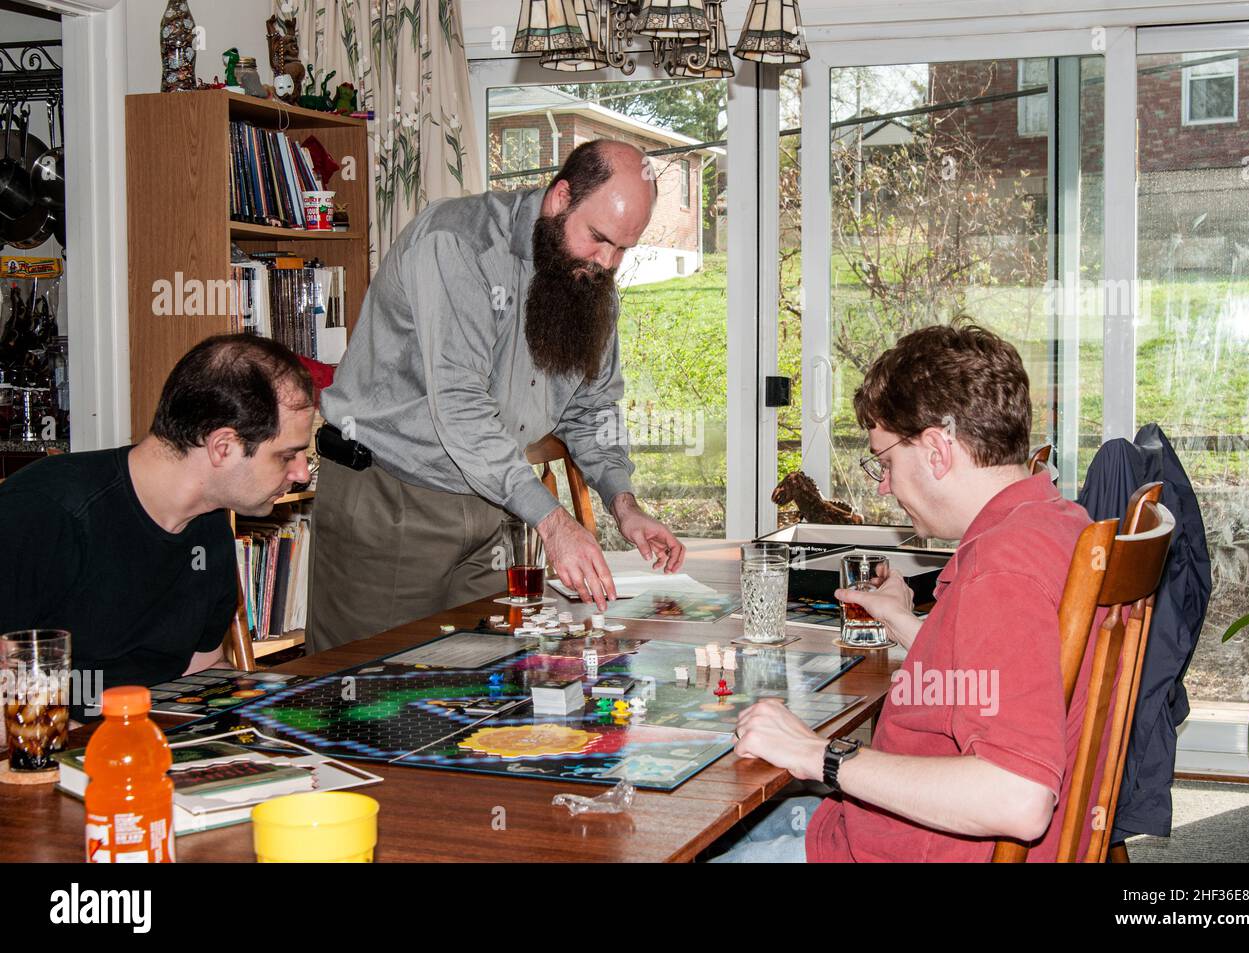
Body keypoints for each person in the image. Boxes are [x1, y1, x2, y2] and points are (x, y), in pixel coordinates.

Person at [716, 322, 1096, 862]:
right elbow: (1012, 676)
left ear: (938, 450)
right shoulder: (1055, 523)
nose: (883, 485)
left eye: (886, 460)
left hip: (912, 848)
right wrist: (907, 622)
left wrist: (818, 754)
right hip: (895, 829)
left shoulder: (1002, 569)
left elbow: (1019, 797)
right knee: (743, 804)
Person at [310, 139, 684, 652]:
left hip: (492, 503)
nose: (608, 263)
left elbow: (592, 407)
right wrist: (554, 522)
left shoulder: (589, 277)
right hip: (389, 496)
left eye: (623, 249)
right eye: (599, 239)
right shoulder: (457, 243)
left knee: (482, 689)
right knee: (370, 695)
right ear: (559, 198)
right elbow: (461, 407)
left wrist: (624, 503)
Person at [0, 334, 314, 699]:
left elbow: (201, 668)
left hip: (158, 737)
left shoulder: (209, 521)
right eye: (286, 455)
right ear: (223, 447)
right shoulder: (45, 511)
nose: (302, 473)